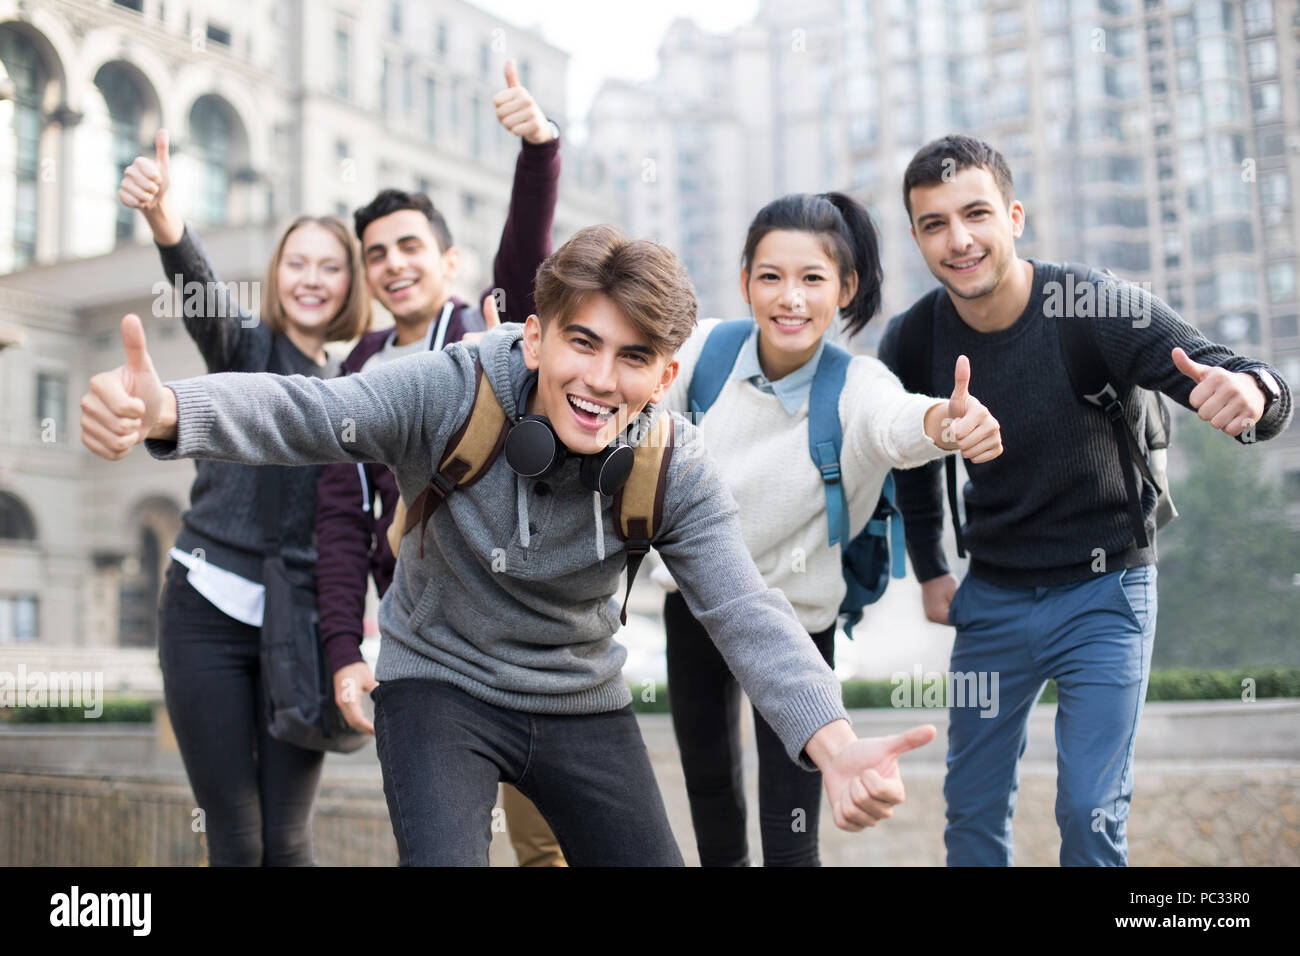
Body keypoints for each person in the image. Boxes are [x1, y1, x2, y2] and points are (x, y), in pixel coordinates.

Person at [81, 224, 939, 867]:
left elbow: (744, 608)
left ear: (665, 376)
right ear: (535, 337)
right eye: (582, 342)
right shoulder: (454, 391)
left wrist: (832, 738)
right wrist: (169, 413)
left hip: (579, 696)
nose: (602, 379)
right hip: (438, 684)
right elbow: (312, 414)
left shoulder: (673, 464)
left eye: (634, 357)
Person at [876, 134, 1294, 867]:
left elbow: (1232, 370)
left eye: (976, 213)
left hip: (1107, 593)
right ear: (916, 237)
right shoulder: (912, 341)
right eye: (934, 223)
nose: (959, 239)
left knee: (1089, 812)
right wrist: (931, 568)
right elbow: (909, 465)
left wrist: (1257, 394)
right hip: (993, 601)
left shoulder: (1089, 304)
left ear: (1014, 216)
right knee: (970, 812)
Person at [657, 192, 1003, 866]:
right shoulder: (703, 353)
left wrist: (945, 424)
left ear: (844, 288)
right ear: (744, 283)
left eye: (813, 279)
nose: (790, 298)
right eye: (771, 277)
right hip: (695, 608)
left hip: (797, 623)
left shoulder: (858, 385)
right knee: (709, 790)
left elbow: (898, 424)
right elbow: (636, 406)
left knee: (792, 829)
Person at [313, 58, 566, 866]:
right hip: (425, 643)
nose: (393, 263)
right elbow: (341, 522)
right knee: (439, 849)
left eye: (410, 246)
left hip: (525, 626)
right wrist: (345, 653)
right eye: (376, 252)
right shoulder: (355, 374)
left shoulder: (490, 331)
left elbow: (527, 265)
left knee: (544, 847)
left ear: (447, 260)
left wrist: (538, 153)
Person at [112, 129, 371, 865]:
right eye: (297, 264)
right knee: (233, 832)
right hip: (205, 610)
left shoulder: (360, 388)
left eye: (330, 267)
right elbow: (204, 301)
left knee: (288, 838)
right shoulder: (248, 350)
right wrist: (168, 222)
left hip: (302, 622)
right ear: (277, 273)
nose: (312, 279)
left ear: (350, 285)